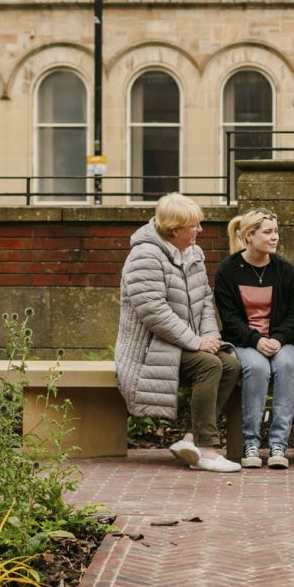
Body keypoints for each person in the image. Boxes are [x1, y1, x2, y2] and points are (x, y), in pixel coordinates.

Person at [114, 192, 242, 473]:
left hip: (182, 345)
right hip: (150, 350)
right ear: (174, 230)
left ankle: (191, 439)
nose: (200, 230)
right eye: (194, 226)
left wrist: (210, 337)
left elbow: (204, 300)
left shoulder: (193, 252)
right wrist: (196, 342)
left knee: (230, 363)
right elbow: (154, 313)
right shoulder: (144, 256)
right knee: (208, 365)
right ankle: (207, 450)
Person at [214, 208, 294, 470]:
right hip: (244, 342)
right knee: (257, 367)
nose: (274, 237)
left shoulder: (285, 270)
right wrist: (256, 340)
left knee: (287, 365)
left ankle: (279, 444)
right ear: (249, 236)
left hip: (280, 341)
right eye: (268, 232)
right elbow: (229, 318)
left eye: (276, 231)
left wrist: (277, 338)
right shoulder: (229, 271)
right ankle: (250, 443)